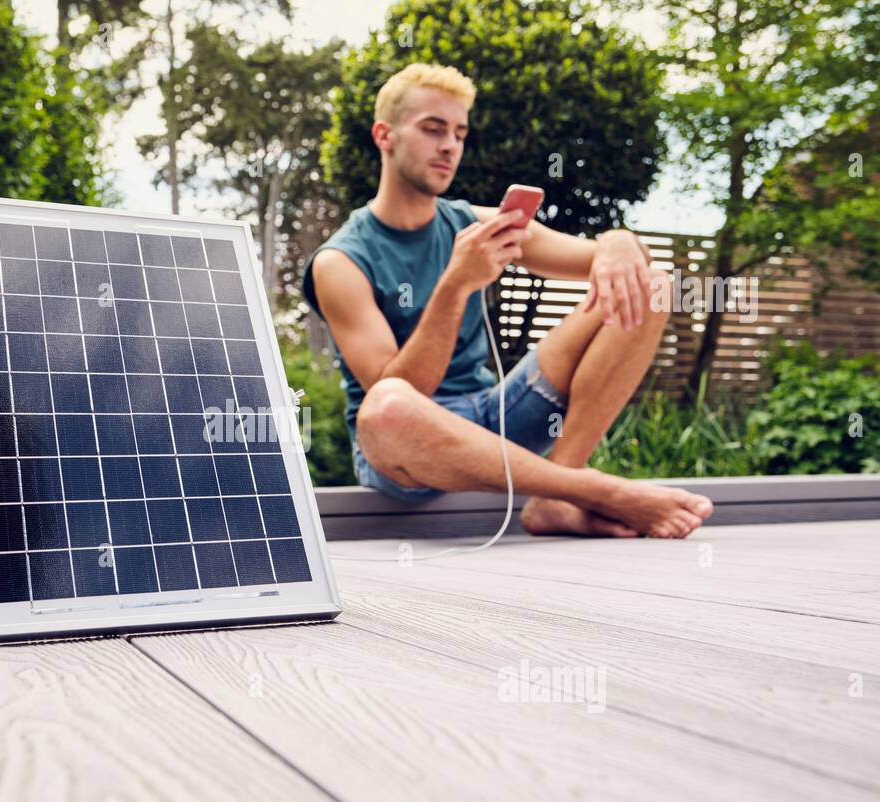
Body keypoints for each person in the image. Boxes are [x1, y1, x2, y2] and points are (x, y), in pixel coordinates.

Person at [303, 63, 713, 538]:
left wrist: (620, 240)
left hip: (494, 414)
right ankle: (592, 490)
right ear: (384, 135)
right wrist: (456, 285)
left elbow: (600, 259)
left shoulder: (474, 222)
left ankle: (554, 499)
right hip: (406, 446)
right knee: (386, 406)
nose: (449, 146)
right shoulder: (340, 262)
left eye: (459, 133)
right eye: (432, 129)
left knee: (652, 284)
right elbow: (402, 389)